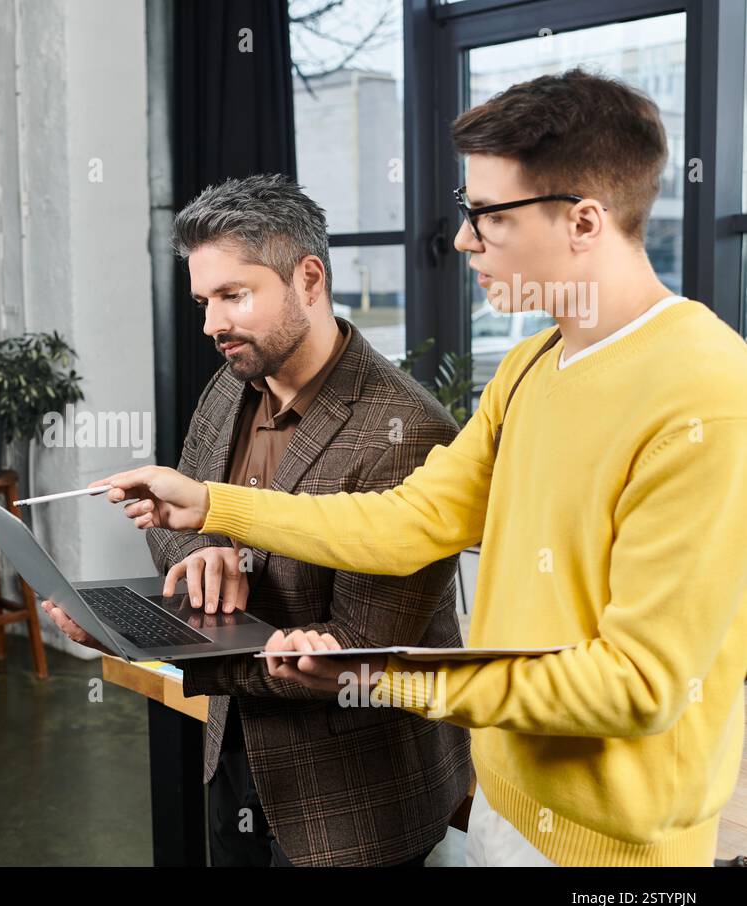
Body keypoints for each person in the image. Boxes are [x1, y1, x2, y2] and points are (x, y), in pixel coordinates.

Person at [95, 69, 747, 866]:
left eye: (487, 215)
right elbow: (414, 520)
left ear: (583, 221)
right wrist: (213, 505)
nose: (465, 238)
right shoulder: (532, 365)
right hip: (502, 807)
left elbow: (635, 686)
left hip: (617, 851)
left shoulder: (709, 394)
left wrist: (384, 675)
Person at [44, 173, 470, 866]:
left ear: (308, 279)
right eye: (203, 301)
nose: (212, 325)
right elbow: (172, 514)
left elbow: (360, 655)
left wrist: (143, 637)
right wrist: (199, 552)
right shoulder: (234, 377)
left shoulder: (409, 431)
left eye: (233, 296)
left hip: (352, 801)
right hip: (231, 753)